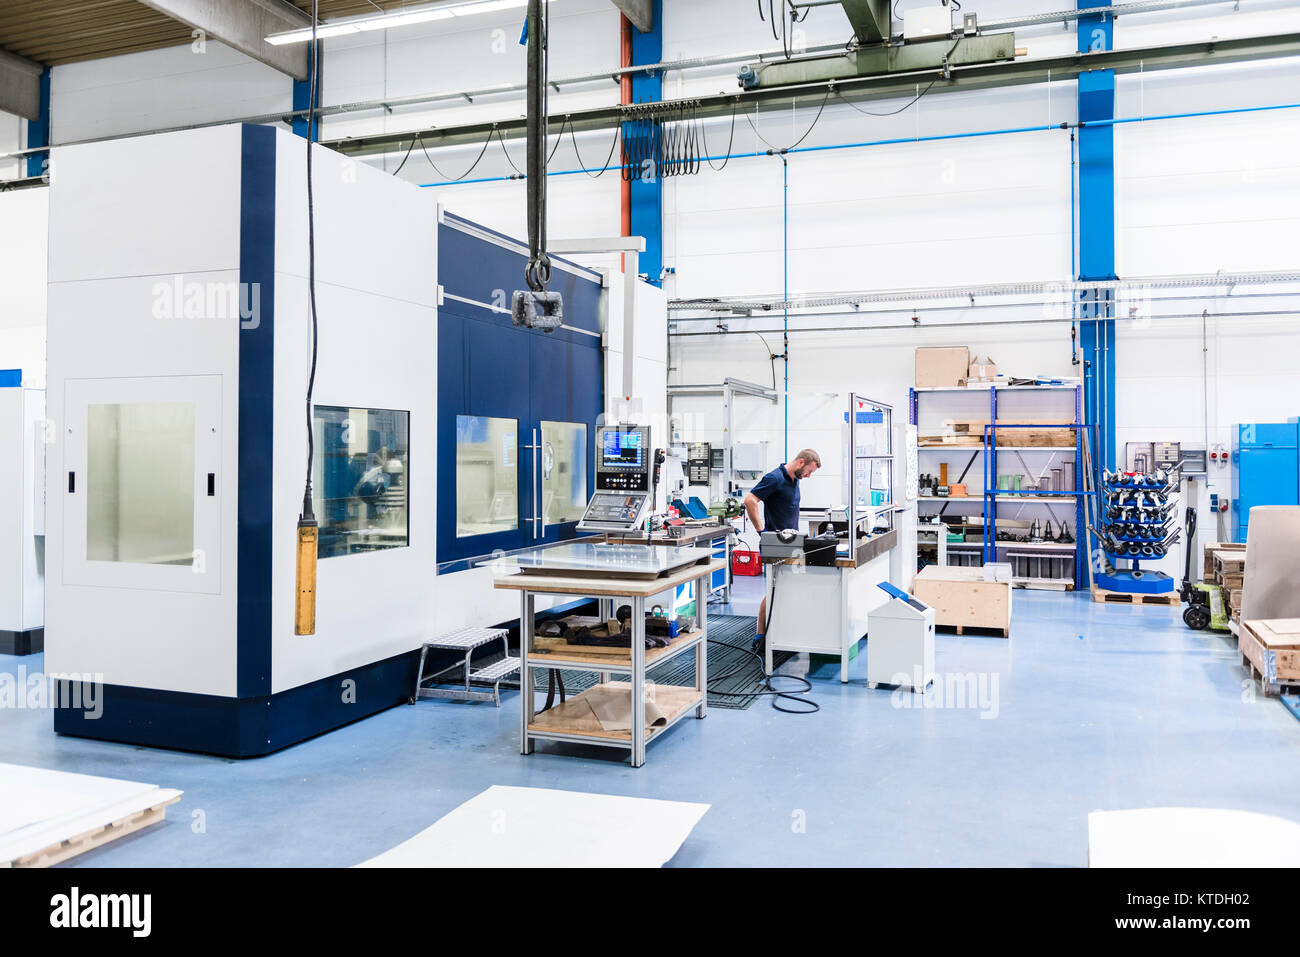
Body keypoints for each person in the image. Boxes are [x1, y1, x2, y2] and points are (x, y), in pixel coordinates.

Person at [743, 449, 821, 651]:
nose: (809, 476)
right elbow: (750, 500)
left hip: (790, 543)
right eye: (809, 471)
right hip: (775, 544)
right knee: (773, 589)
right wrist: (762, 531)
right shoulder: (775, 478)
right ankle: (760, 636)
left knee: (785, 588)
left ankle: (780, 633)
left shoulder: (795, 480)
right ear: (801, 462)